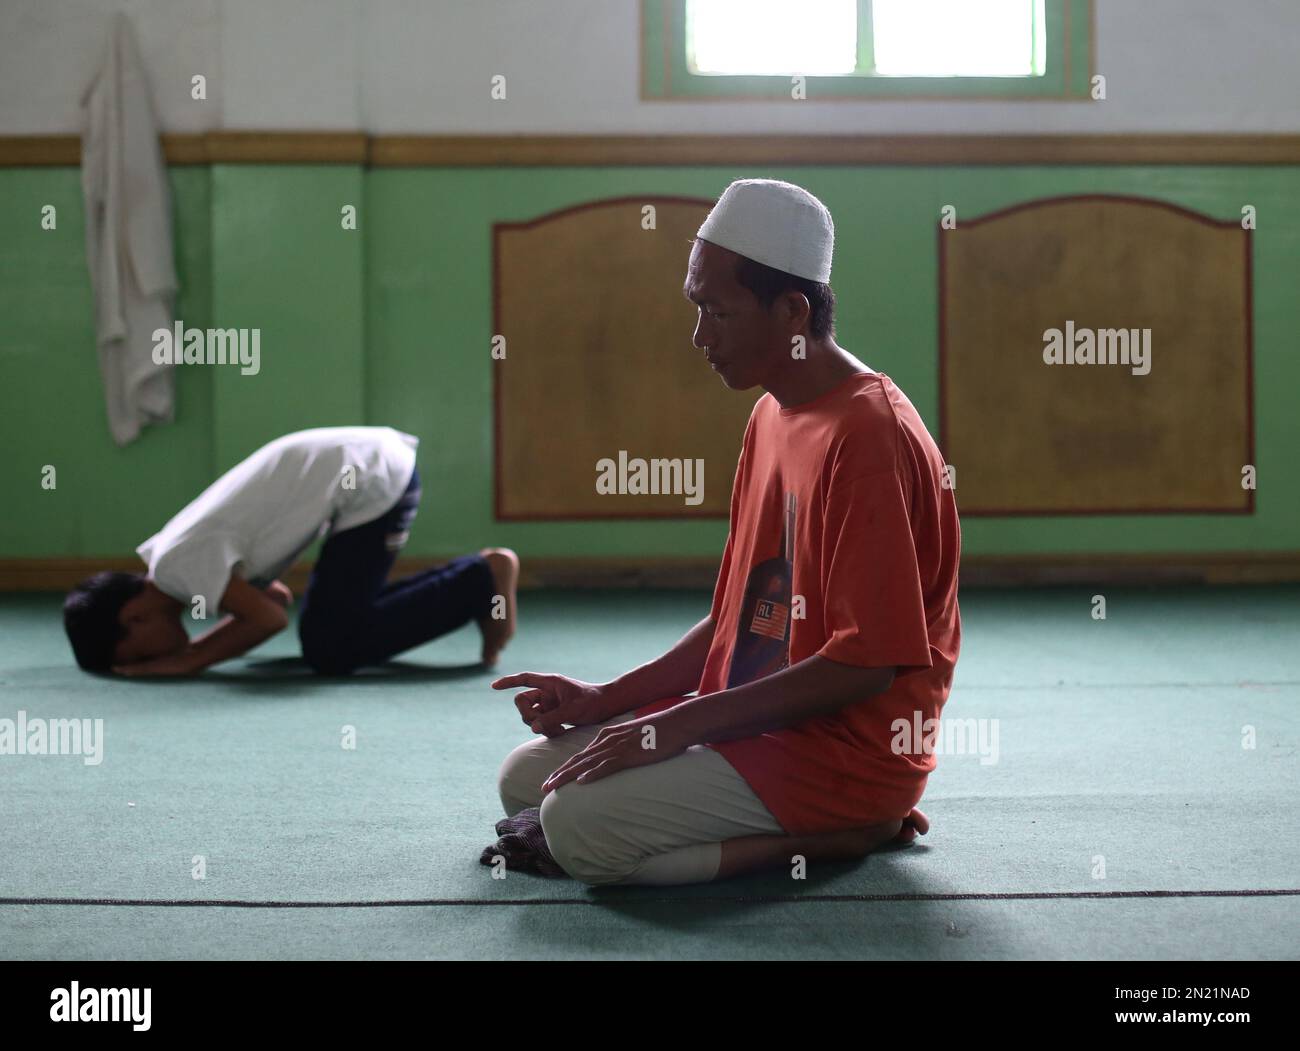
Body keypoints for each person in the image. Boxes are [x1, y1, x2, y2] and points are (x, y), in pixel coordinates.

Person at [492, 179, 960, 885]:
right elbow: (734, 621)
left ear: (793, 311)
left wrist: (677, 726)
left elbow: (865, 665)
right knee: (525, 779)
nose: (700, 336)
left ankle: (849, 833)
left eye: (718, 311)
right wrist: (605, 699)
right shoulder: (771, 413)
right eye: (697, 308)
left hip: (848, 756)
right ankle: (788, 822)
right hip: (755, 728)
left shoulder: (869, 436)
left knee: (574, 825)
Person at [63, 426, 518, 677]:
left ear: (133, 619)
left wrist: (190, 660)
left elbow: (269, 620)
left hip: (371, 480)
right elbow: (275, 599)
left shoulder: (177, 567)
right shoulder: (174, 561)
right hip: (371, 464)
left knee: (331, 649)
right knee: (335, 627)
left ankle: (481, 579)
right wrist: (201, 649)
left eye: (142, 656)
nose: (155, 661)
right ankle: (476, 577)